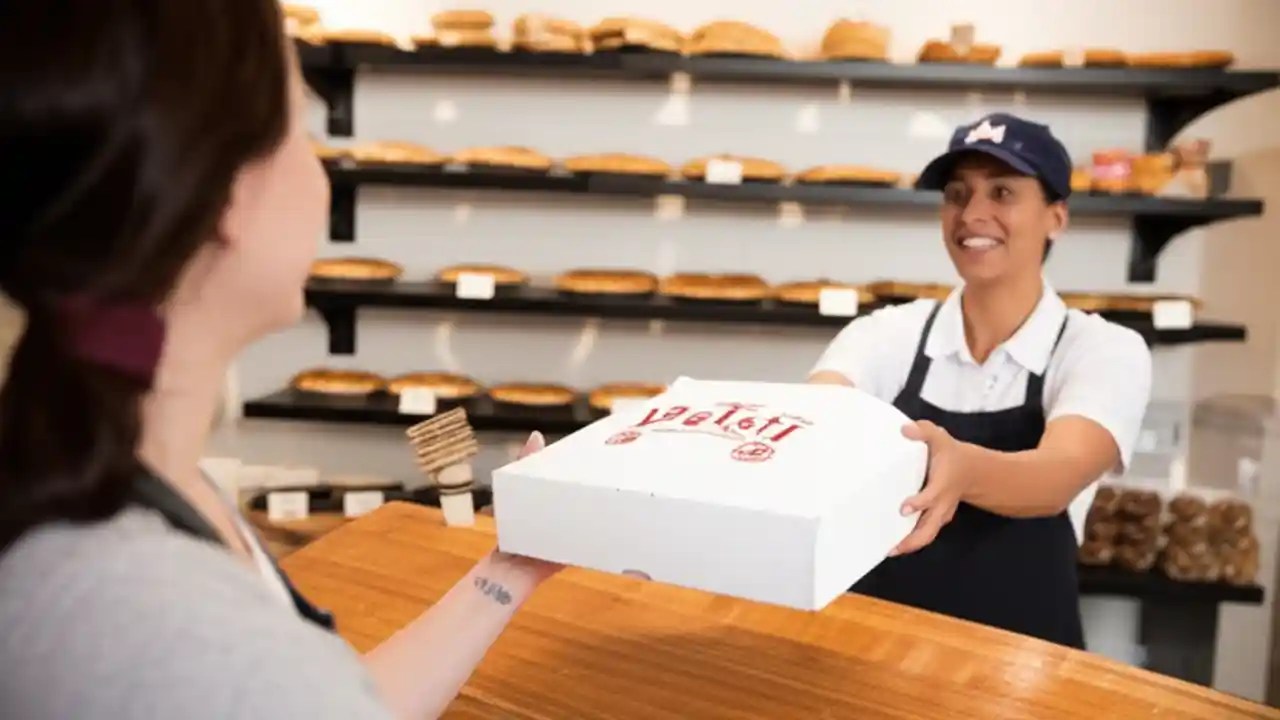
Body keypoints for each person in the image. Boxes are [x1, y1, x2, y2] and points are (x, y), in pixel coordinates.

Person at [0, 3, 561, 718]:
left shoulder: (111, 489)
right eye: (302, 126)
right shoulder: (164, 626)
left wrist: (506, 571)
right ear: (230, 191)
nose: (320, 173)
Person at [810, 113, 1152, 648]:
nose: (973, 214)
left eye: (1002, 192)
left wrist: (961, 468)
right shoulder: (889, 333)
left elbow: (1059, 473)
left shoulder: (1101, 349)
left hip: (1025, 668)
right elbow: (821, 419)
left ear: (1056, 217)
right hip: (872, 653)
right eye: (956, 193)